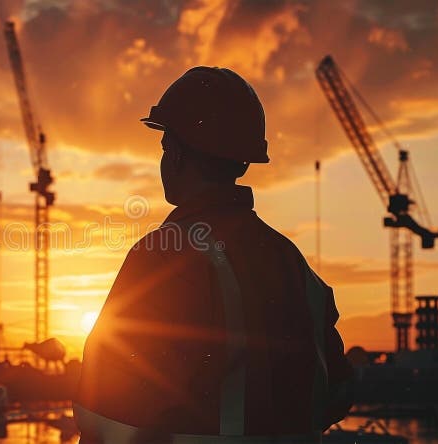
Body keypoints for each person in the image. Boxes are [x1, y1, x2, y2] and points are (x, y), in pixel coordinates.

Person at [76, 67, 353, 443]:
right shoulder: (290, 260)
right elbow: (335, 392)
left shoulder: (164, 255)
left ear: (174, 155)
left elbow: (104, 407)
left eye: (165, 148)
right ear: (242, 160)